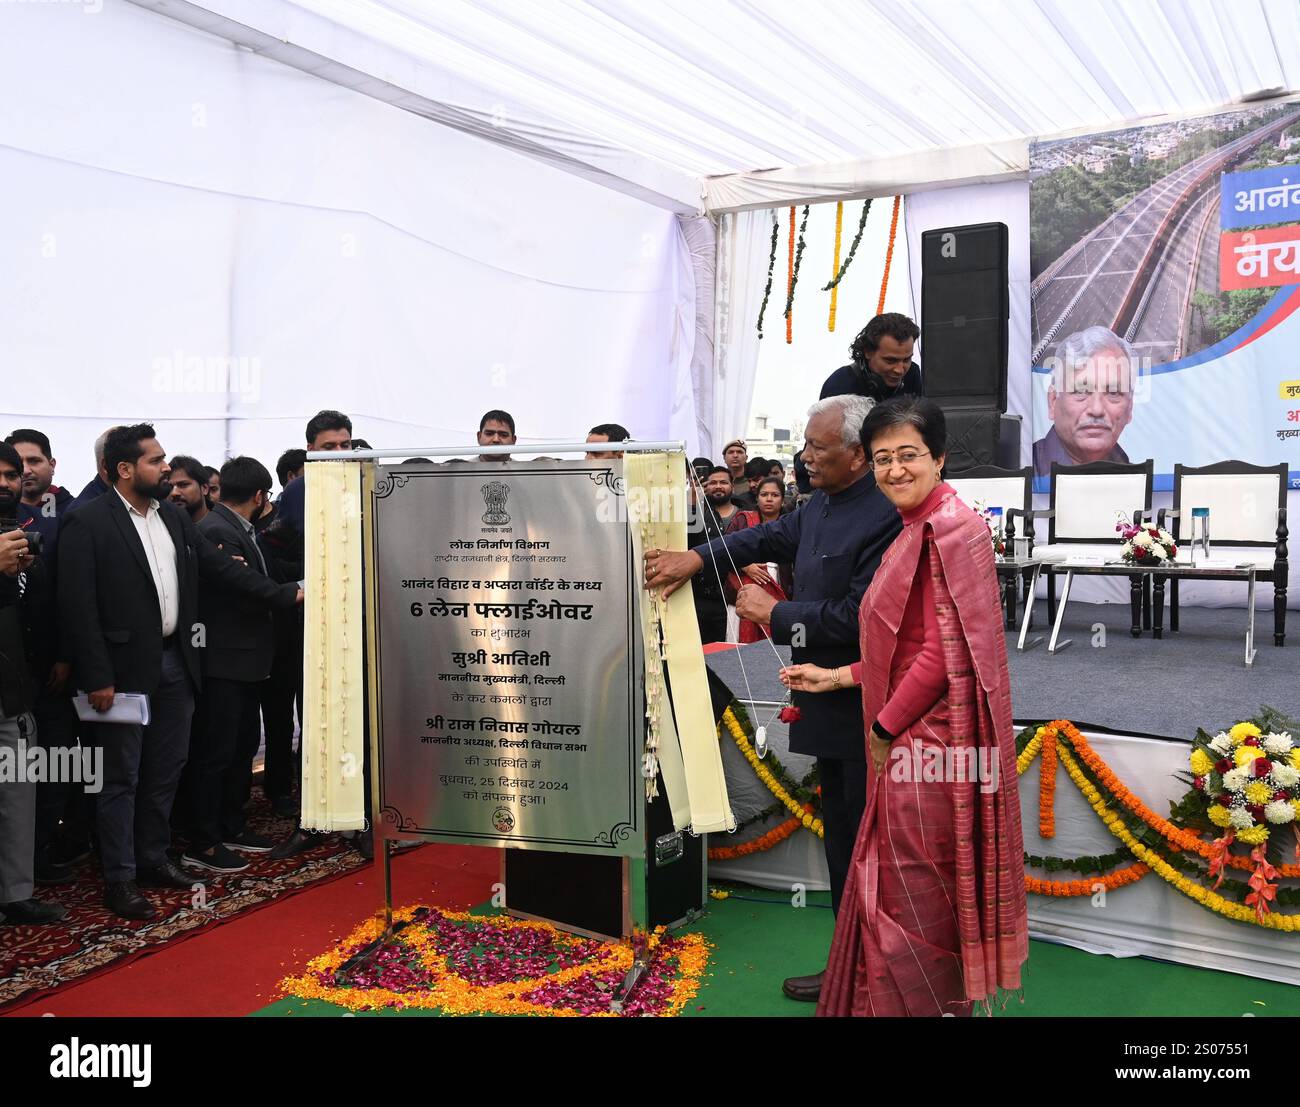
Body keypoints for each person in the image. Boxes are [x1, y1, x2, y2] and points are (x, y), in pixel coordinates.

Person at [645, 394, 901, 1001]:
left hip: (871, 708)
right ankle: (849, 965)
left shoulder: (888, 516)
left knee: (874, 849)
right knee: (841, 841)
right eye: (805, 445)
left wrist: (777, 613)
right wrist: (693, 558)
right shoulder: (816, 506)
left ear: (859, 455)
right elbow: (761, 542)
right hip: (822, 705)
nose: (803, 456)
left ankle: (884, 973)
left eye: (817, 447)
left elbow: (863, 618)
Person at [781, 396, 1027, 1017]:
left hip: (928, 746)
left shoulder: (951, 530)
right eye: (884, 458)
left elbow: (943, 660)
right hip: (913, 738)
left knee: (908, 901)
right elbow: (902, 647)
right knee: (902, 893)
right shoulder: (918, 524)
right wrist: (836, 676)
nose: (895, 470)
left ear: (939, 458)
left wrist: (886, 727)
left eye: (909, 456)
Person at [57, 424, 302, 919]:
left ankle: (152, 858)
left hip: (177, 662)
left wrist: (285, 593)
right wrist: (98, 676)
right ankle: (120, 878)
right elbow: (77, 607)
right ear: (125, 470)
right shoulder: (88, 521)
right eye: (155, 460)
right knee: (121, 777)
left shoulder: (171, 515)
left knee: (166, 770)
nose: (166, 467)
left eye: (165, 458)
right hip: (121, 673)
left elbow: (218, 568)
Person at [182, 456, 286, 872]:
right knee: (215, 752)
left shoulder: (241, 530)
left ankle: (230, 824)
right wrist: (292, 595)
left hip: (246, 662)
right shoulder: (217, 532)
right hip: (222, 662)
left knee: (241, 746)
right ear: (261, 496)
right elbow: (243, 587)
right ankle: (203, 841)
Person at [0, 442, 68, 924]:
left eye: (10, 473)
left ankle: (16, 892)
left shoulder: (18, 532)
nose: (5, 482)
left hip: (16, 687)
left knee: (18, 794)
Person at [1033, 326, 1135, 477]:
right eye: (1081, 392)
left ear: (1130, 409)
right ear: (1053, 401)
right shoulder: (1019, 477)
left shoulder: (1141, 484)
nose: (1096, 409)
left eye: (1113, 393)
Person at [724, 476, 793, 643]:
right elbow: (724, 549)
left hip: (780, 595)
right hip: (742, 594)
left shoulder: (791, 524)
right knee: (740, 648)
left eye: (775, 495)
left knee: (776, 650)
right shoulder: (743, 519)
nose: (769, 499)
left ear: (782, 500)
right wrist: (745, 567)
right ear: (757, 498)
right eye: (764, 494)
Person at [820, 312, 923, 402]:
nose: (900, 370)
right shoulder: (839, 385)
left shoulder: (912, 373)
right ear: (868, 352)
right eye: (890, 360)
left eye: (907, 360)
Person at [7, 429, 73, 521]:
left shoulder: (77, 511)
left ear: (52, 465)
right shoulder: (4, 511)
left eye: (34, 461)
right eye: (18, 463)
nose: (25, 471)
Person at [167, 455, 211, 524]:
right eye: (170, 487)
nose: (174, 493)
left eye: (183, 485)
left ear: (204, 488)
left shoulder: (221, 529)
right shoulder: (163, 528)